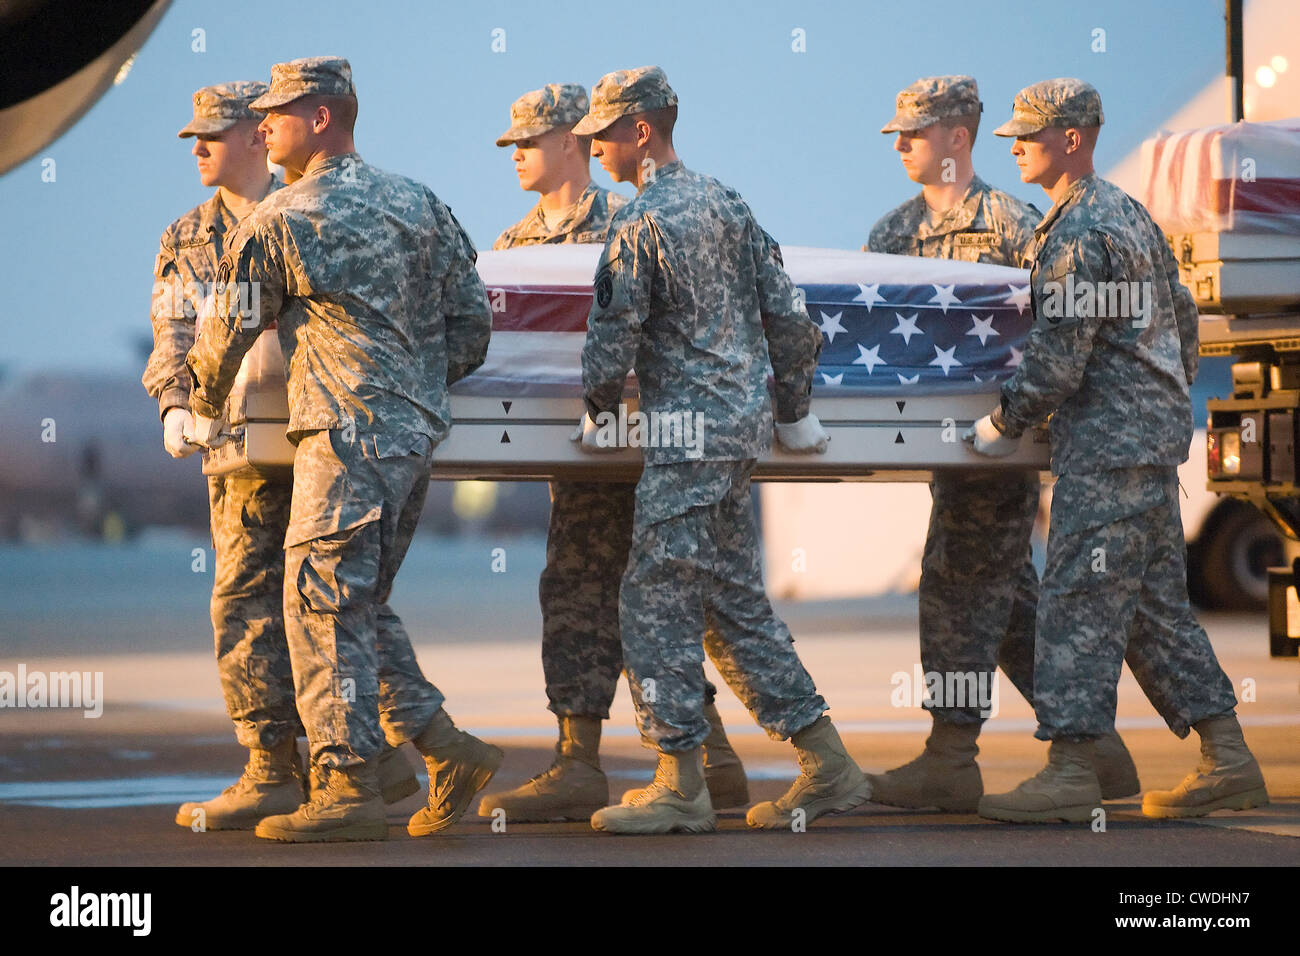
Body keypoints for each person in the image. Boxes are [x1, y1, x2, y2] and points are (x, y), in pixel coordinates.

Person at [185, 56, 500, 842]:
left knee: (318, 602)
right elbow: (473, 327)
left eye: (278, 116)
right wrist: (417, 384)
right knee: (355, 603)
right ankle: (442, 750)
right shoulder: (420, 203)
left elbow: (227, 331)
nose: (264, 129)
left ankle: (347, 787)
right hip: (414, 437)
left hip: (342, 431)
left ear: (321, 117)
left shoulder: (286, 215)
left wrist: (195, 404)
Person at [572, 66, 869, 834]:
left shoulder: (641, 221)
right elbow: (792, 319)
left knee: (652, 599)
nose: (596, 146)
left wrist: (600, 411)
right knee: (732, 604)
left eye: (605, 132)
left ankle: (679, 780)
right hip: (738, 433)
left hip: (685, 437)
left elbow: (613, 334)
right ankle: (828, 761)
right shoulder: (731, 204)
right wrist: (794, 412)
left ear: (643, 130)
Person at [969, 78, 1268, 822]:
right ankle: (1228, 758)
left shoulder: (1077, 232)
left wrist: (1004, 423)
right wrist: (1156, 397)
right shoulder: (1129, 214)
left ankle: (1072, 769)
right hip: (1147, 443)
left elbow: (1059, 359)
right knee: (1151, 611)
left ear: (1073, 139)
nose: (1013, 148)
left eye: (1028, 136)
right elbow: (1183, 321)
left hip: (1107, 451)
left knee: (1076, 598)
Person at [145, 81, 418, 831]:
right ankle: (272, 766)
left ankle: (372, 754)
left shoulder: (313, 210)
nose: (197, 148)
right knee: (242, 600)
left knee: (333, 601)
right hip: (233, 445)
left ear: (255, 137)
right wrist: (175, 403)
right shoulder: (188, 237)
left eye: (213, 133)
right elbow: (173, 329)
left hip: (321, 440)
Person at [864, 76, 1139, 811]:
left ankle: (952, 756)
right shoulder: (891, 236)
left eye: (914, 133)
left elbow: (1061, 333)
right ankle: (1099, 752)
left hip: (1000, 444)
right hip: (941, 449)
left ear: (960, 136)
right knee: (1007, 600)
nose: (899, 144)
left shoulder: (1020, 226)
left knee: (958, 581)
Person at [477, 83, 749, 823]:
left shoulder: (632, 218)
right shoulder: (511, 248)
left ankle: (709, 756)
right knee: (574, 593)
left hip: (649, 444)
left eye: (529, 144)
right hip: (577, 460)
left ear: (571, 141)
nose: (517, 157)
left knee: (670, 608)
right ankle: (578, 760)